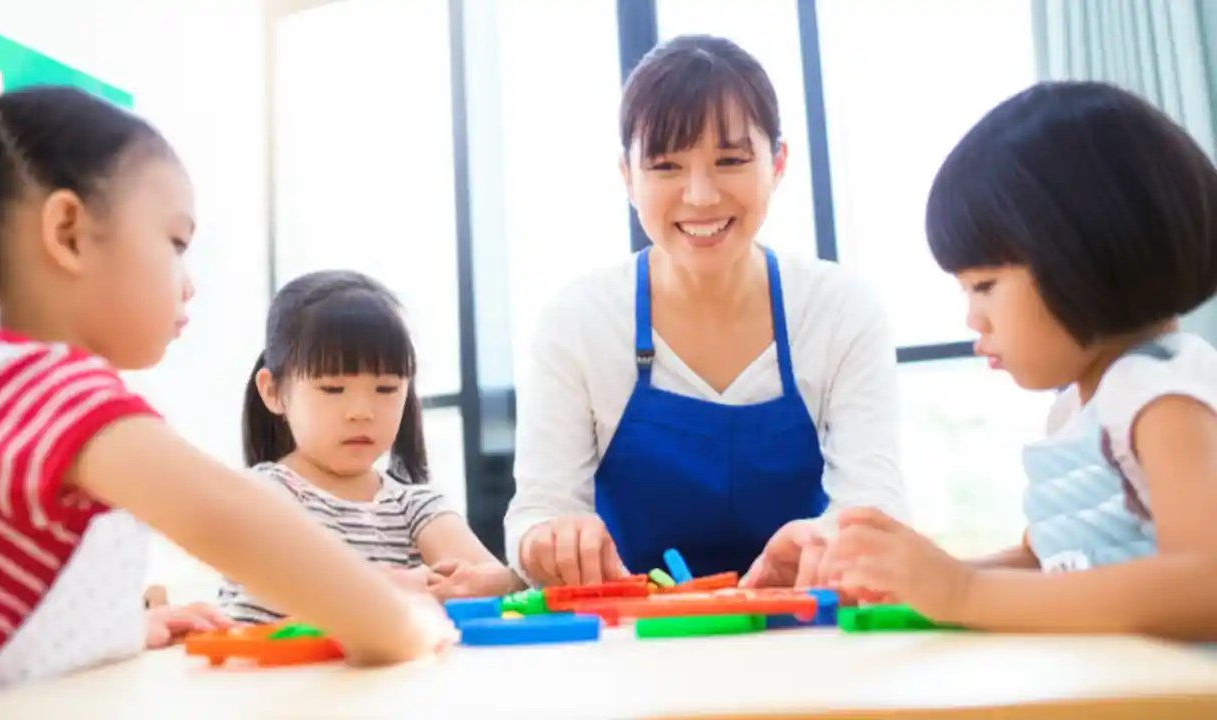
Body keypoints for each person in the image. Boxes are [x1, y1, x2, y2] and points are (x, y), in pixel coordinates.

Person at [0, 86, 450, 702]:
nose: (189, 284)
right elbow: (233, 519)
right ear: (68, 232)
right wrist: (395, 624)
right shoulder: (52, 393)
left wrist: (126, 627)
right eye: (176, 244)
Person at [817, 82, 1217, 640]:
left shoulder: (1161, 396)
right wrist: (918, 576)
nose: (973, 320)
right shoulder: (1085, 407)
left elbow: (1206, 584)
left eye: (985, 285)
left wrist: (964, 592)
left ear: (1088, 254)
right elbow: (1051, 561)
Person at [505, 34, 908, 588]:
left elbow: (875, 507)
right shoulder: (579, 321)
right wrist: (549, 540)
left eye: (731, 160)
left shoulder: (840, 310)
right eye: (667, 166)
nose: (700, 195)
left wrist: (834, 543)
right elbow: (537, 510)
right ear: (627, 174)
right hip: (632, 642)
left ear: (779, 162)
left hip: (812, 632)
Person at [219, 270, 522, 623]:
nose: (362, 412)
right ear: (273, 392)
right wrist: (391, 587)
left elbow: (493, 583)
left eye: (387, 389)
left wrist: (500, 580)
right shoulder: (264, 493)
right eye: (332, 389)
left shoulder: (413, 505)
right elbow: (267, 602)